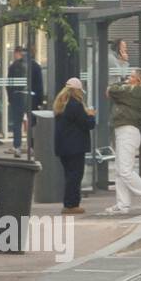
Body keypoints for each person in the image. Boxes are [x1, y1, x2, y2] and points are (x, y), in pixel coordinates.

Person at [105, 69, 141, 214]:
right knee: (120, 171)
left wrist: (118, 86)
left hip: (128, 132)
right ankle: (123, 205)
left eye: (132, 76)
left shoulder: (137, 92)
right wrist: (120, 86)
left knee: (125, 171)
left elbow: (112, 90)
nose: (129, 78)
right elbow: (113, 91)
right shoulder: (131, 90)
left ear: (139, 80)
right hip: (123, 131)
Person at [53, 78, 96, 215]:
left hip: (63, 146)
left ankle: (68, 203)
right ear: (77, 91)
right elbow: (87, 124)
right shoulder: (75, 105)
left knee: (69, 174)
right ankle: (72, 205)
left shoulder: (60, 104)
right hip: (75, 146)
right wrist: (91, 115)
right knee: (75, 175)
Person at [6, 46, 44, 156]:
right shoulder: (36, 66)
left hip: (17, 98)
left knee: (17, 124)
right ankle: (31, 147)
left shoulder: (14, 66)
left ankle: (17, 147)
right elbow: (39, 85)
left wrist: (11, 98)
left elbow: (9, 84)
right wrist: (39, 101)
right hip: (32, 99)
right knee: (31, 123)